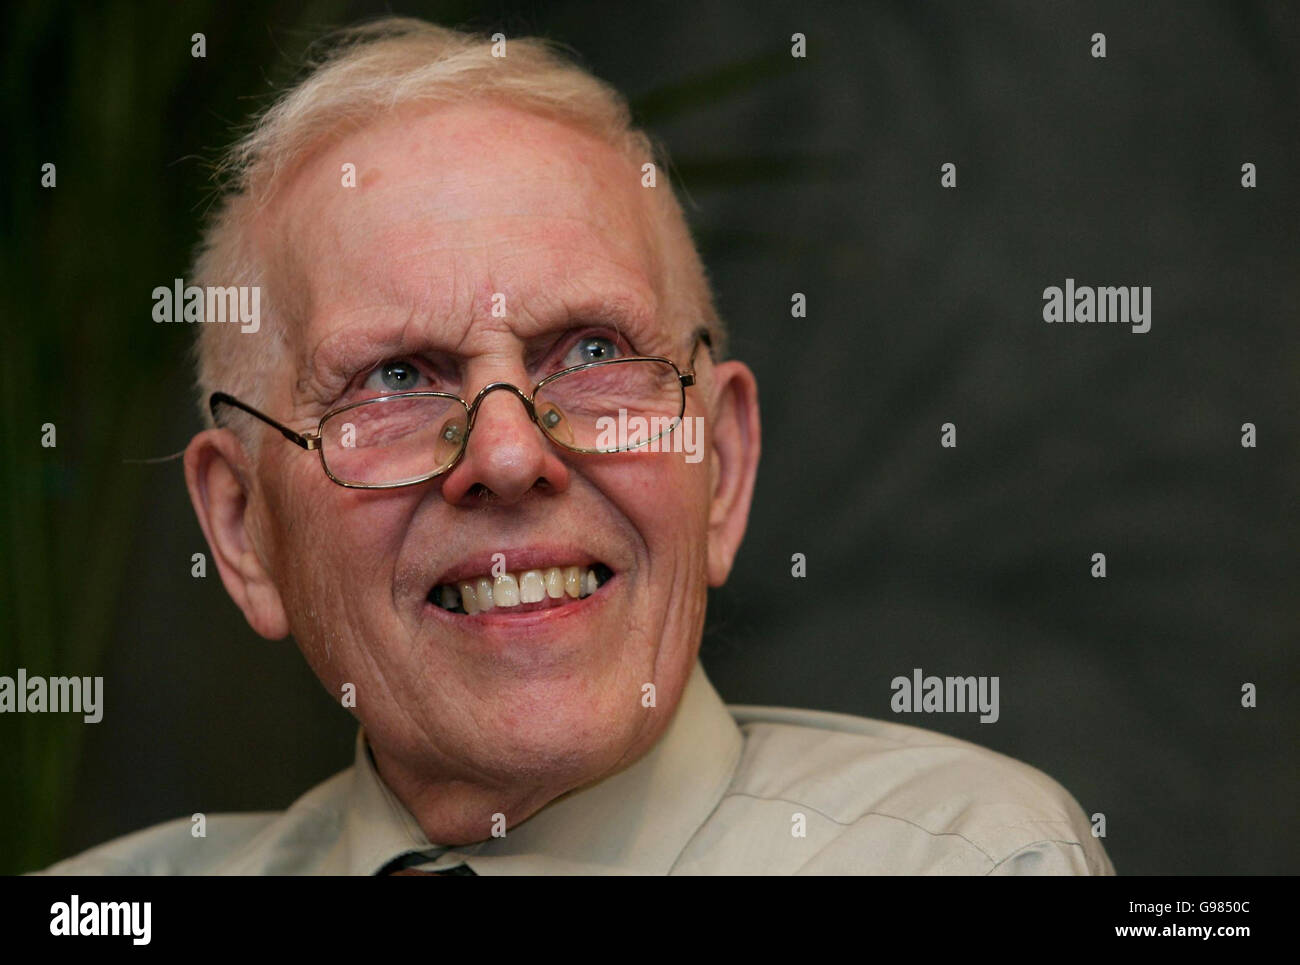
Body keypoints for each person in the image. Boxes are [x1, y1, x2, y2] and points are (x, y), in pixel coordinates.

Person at [40, 17, 1113, 875]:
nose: (507, 454)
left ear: (723, 466)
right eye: (396, 377)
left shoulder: (969, 858)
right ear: (243, 528)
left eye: (592, 351)